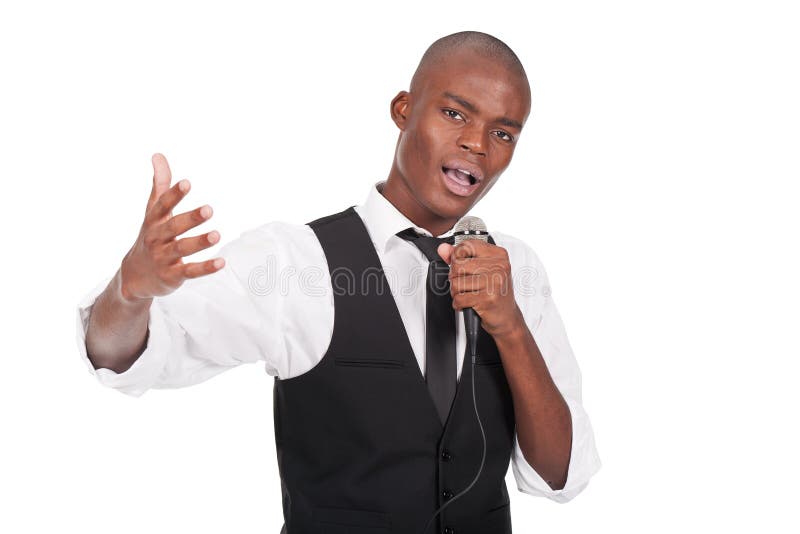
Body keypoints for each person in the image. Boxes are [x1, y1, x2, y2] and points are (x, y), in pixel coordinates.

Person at [77, 31, 601, 533]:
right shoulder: (292, 261)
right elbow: (123, 357)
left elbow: (560, 474)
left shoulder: (518, 270)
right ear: (403, 110)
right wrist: (130, 290)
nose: (477, 144)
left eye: (503, 133)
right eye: (454, 112)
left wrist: (510, 326)